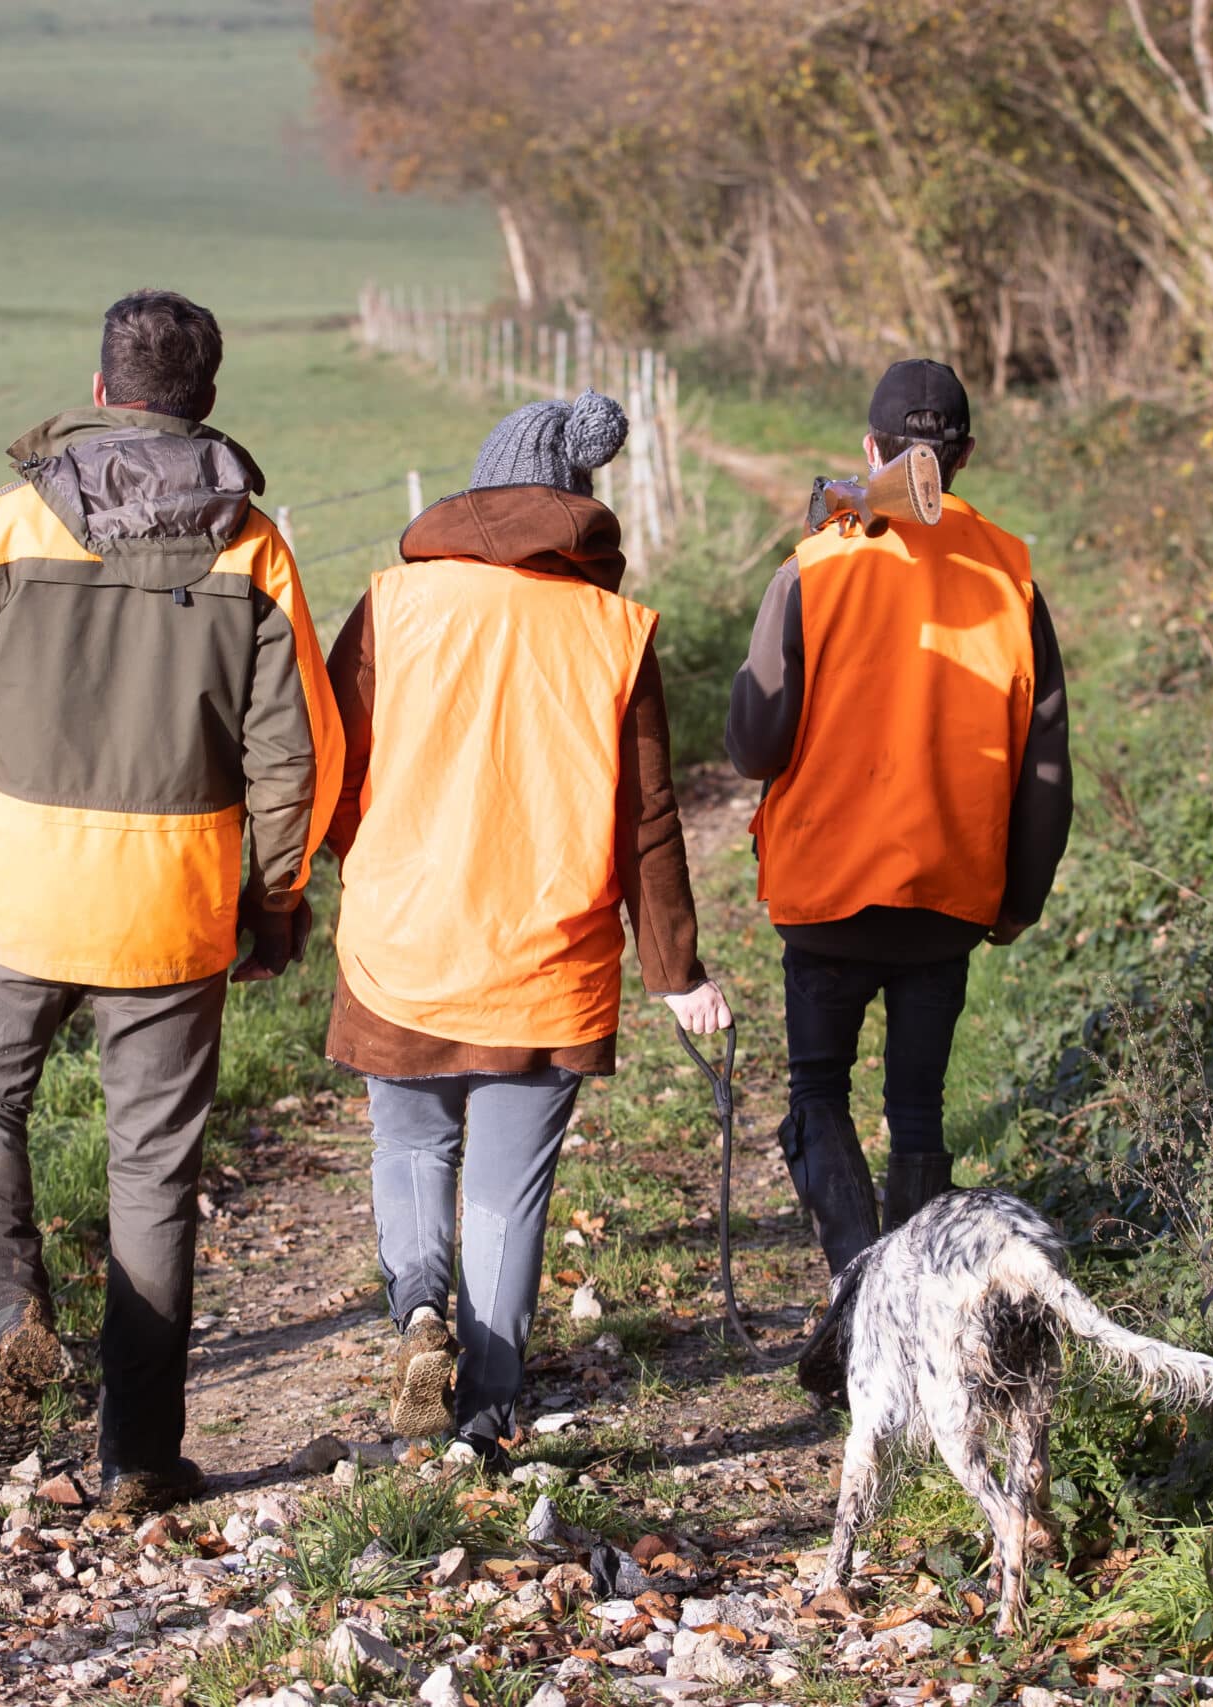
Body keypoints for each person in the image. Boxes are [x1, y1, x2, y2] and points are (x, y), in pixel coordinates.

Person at [0, 289, 342, 1512]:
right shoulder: (254, 548)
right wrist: (275, 899)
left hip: (17, 892)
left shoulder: (9, 521)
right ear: (208, 401)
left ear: (97, 390)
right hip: (173, 904)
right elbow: (294, 756)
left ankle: (10, 1311)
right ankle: (138, 1453)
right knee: (154, 1170)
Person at [326, 391, 729, 1466]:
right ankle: (484, 1416)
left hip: (401, 940)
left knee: (411, 1143)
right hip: (544, 964)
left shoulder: (393, 605)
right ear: (577, 509)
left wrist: (344, 864)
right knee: (506, 1194)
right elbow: (647, 818)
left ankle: (419, 1313)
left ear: (477, 495)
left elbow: (331, 763)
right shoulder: (614, 633)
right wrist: (676, 970)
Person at [726, 359, 1071, 1291]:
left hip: (827, 890)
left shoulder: (814, 567)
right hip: (949, 893)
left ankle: (859, 1287)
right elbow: (1046, 767)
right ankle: (915, 1303)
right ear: (966, 455)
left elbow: (753, 746)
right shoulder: (1013, 579)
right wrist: (1019, 899)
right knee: (917, 1108)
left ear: (869, 447)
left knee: (819, 1091)